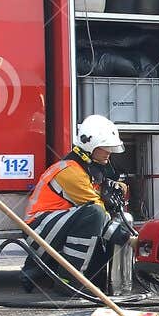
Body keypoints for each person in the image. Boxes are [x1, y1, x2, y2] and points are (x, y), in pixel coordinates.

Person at [22, 115, 134, 292]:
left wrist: (115, 188)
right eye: (104, 147)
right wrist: (129, 238)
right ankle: (68, 281)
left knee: (98, 218)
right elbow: (97, 212)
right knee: (95, 215)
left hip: (53, 227)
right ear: (90, 146)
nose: (109, 151)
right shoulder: (70, 171)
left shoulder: (87, 169)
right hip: (37, 230)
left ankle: (93, 280)